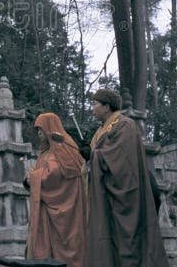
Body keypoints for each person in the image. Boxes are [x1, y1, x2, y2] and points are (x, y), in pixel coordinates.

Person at [88, 89, 167, 267]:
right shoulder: (101, 130)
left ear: (107, 106)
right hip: (108, 194)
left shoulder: (125, 125)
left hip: (127, 193)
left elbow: (122, 161)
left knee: (129, 242)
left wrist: (96, 156)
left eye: (95, 104)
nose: (92, 108)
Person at [25, 113, 88, 267]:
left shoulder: (65, 149)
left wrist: (32, 177)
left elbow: (54, 176)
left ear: (50, 129)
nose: (39, 133)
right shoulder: (47, 151)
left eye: (41, 129)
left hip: (65, 213)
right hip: (47, 212)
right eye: (38, 130)